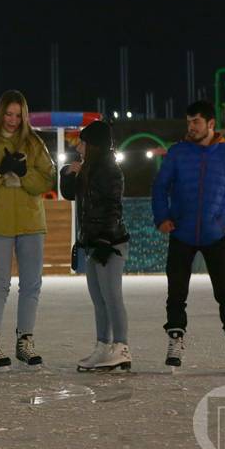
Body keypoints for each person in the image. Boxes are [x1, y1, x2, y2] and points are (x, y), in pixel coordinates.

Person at [152, 100, 225, 371]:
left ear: (210, 124)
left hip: (213, 236)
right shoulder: (177, 153)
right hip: (181, 233)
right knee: (176, 291)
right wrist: (162, 218)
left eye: (196, 122)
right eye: (188, 122)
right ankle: (175, 338)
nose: (191, 127)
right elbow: (160, 187)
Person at [0, 89, 55, 371]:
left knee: (31, 284)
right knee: (0, 283)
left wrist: (26, 174)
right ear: (0, 113)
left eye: (18, 115)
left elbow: (47, 179)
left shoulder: (34, 143)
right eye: (9, 114)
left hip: (30, 221)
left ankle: (24, 341)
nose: (13, 120)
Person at [60, 121, 132, 372]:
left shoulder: (109, 170)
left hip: (110, 244)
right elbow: (69, 194)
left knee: (112, 297)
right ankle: (103, 346)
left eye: (82, 142)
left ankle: (121, 347)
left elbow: (112, 207)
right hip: (92, 243)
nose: (78, 146)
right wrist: (69, 173)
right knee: (99, 299)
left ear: (93, 145)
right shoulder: (88, 169)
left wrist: (105, 239)